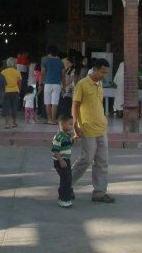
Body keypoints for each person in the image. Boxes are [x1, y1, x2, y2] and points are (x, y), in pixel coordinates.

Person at [72, 58, 115, 203]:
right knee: (86, 159)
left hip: (101, 128)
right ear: (95, 69)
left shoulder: (100, 84)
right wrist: (75, 125)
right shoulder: (82, 84)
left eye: (106, 73)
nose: (104, 75)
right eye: (102, 72)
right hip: (87, 129)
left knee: (102, 162)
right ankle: (66, 185)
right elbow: (75, 105)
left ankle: (99, 192)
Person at [51, 114, 76, 208]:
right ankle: (63, 199)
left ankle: (65, 196)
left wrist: (73, 139)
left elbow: (69, 146)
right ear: (62, 124)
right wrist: (61, 160)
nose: (71, 126)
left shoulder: (67, 135)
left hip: (67, 160)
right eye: (70, 124)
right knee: (66, 179)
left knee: (67, 179)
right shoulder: (58, 137)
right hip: (60, 161)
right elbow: (55, 150)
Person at [42, 46, 64, 124]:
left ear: (50, 53)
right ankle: (54, 120)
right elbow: (63, 75)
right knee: (55, 103)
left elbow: (42, 73)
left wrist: (41, 83)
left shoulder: (46, 62)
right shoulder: (60, 62)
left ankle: (49, 119)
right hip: (57, 84)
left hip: (47, 84)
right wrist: (64, 86)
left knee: (47, 102)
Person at [1, 58, 22, 128]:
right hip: (15, 91)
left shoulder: (3, 72)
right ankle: (14, 122)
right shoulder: (17, 72)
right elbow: (19, 83)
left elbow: (1, 83)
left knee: (6, 107)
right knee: (14, 107)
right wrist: (19, 90)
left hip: (6, 91)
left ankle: (7, 124)